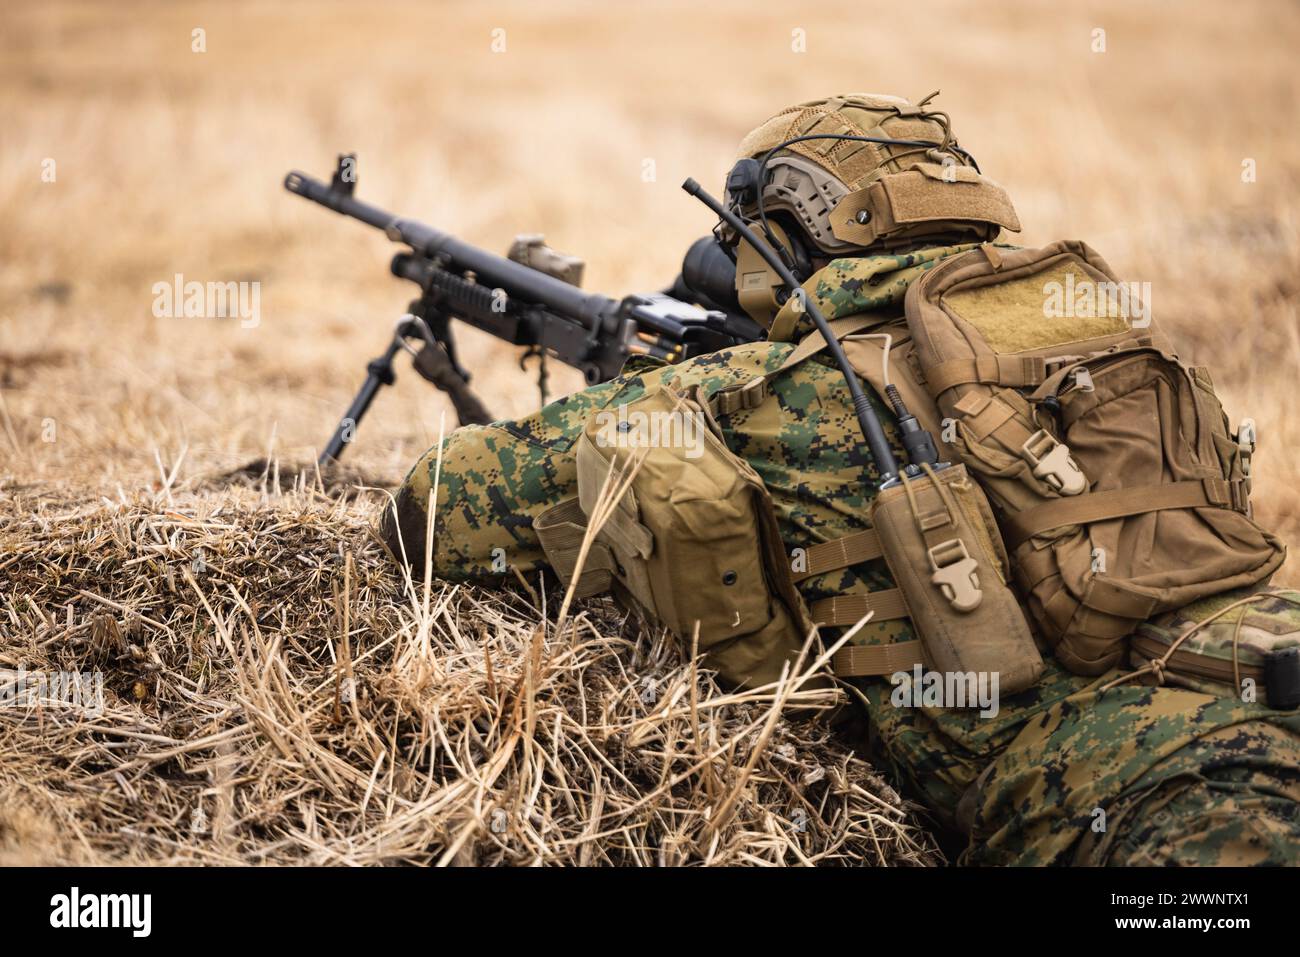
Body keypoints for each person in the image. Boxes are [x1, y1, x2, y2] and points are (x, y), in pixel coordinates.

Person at [380, 94, 1300, 865]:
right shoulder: (1115, 344)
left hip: (1167, 801)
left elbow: (427, 512)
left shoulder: (755, 395)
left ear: (786, 229)